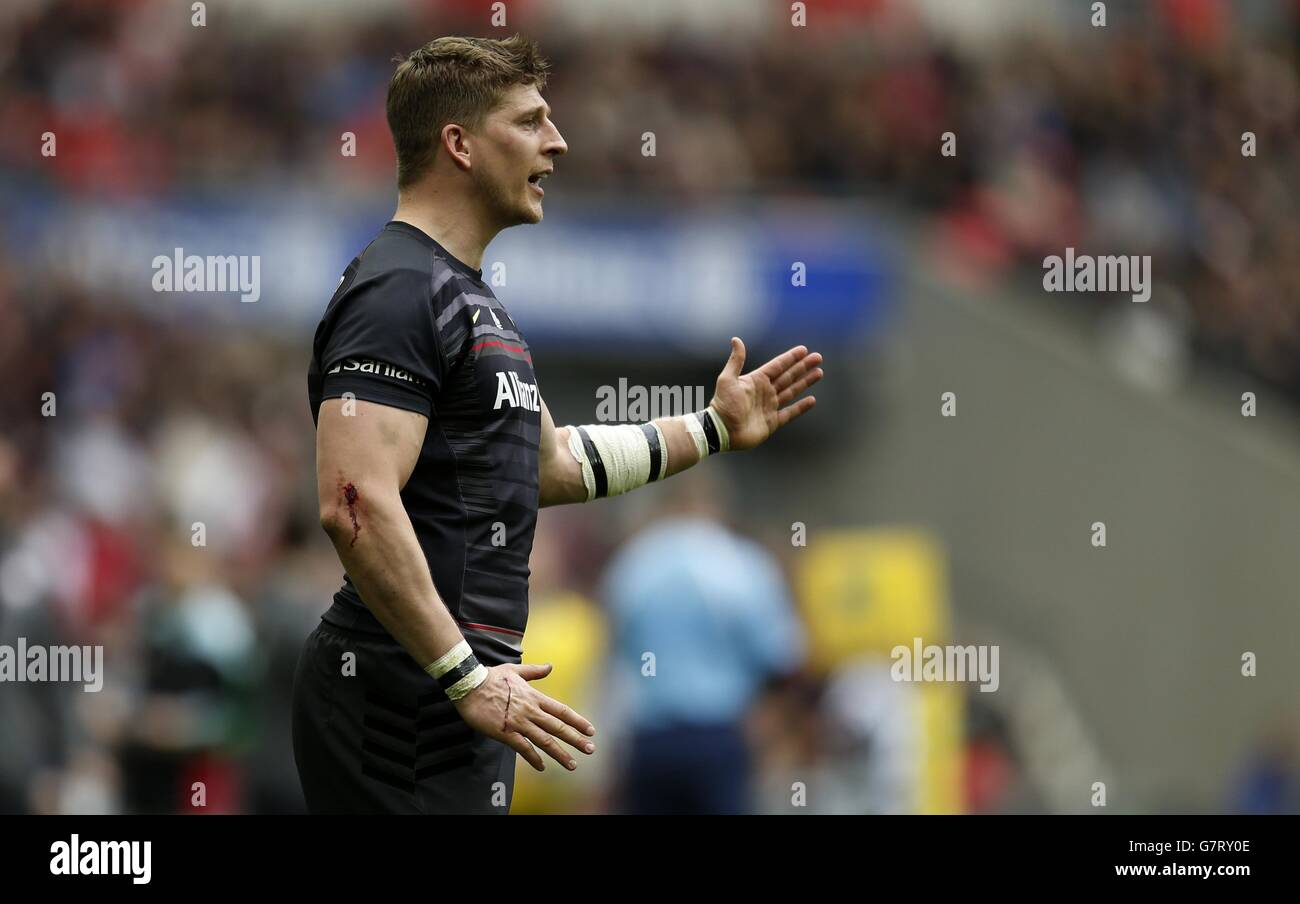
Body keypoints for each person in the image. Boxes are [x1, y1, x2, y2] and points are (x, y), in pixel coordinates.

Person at [292, 33, 824, 814]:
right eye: (531, 121)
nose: (558, 141)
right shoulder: (397, 292)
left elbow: (553, 464)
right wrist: (463, 674)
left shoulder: (471, 301)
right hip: (397, 693)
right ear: (459, 144)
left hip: (455, 689)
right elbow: (352, 501)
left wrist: (710, 428)